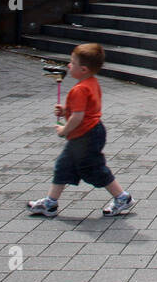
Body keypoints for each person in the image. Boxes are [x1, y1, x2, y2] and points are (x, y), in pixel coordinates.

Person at [27, 43, 135, 217]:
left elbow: (77, 117)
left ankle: (122, 197)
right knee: (64, 166)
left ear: (83, 69)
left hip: (85, 136)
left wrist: (63, 130)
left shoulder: (79, 89)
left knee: (94, 169)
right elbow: (83, 111)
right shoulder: (92, 83)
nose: (69, 65)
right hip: (92, 132)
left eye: (72, 62)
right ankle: (50, 203)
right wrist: (64, 111)